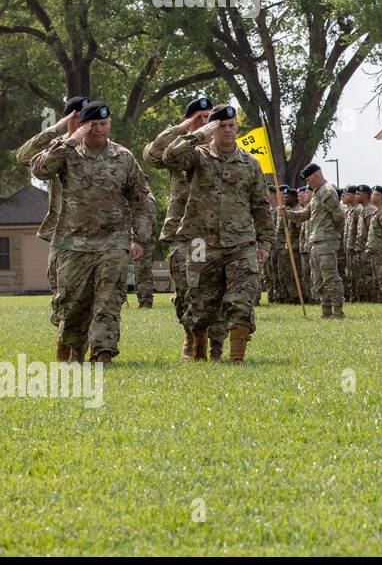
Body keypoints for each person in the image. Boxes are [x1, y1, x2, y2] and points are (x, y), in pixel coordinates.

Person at [31, 101, 152, 364]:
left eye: (103, 124)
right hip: (73, 244)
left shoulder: (124, 157)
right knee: (73, 304)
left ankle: (102, 353)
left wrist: (140, 238)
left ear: (110, 124)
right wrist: (68, 142)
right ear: (83, 126)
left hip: (113, 243)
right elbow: (39, 169)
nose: (99, 130)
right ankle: (73, 348)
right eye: (93, 124)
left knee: (109, 302)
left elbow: (140, 200)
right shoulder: (67, 153)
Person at [160, 105, 271, 363]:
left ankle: (235, 358)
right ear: (213, 128)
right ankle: (199, 351)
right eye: (222, 126)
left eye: (232, 126)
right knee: (199, 304)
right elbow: (169, 156)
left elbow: (261, 207)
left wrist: (264, 242)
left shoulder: (250, 163)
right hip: (201, 243)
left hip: (240, 243)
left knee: (241, 300)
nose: (228, 131)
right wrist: (199, 134)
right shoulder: (197, 157)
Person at [143, 96, 212, 355]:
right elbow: (152, 154)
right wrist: (184, 128)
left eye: (208, 118)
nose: (205, 124)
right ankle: (190, 335)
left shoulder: (221, 148)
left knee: (207, 289)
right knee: (185, 288)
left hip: (212, 232)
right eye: (199, 119)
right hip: (183, 231)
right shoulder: (178, 150)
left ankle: (206, 340)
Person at [15, 95, 89, 330]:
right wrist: (56, 129)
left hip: (99, 230)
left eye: (87, 117)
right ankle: (66, 339)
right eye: (77, 117)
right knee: (63, 291)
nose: (83, 123)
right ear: (68, 118)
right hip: (63, 232)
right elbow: (24, 156)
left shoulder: (106, 150)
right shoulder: (55, 148)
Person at [285, 162, 346, 318]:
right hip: (316, 241)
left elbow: (339, 214)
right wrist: (287, 213)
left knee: (330, 276)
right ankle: (326, 311)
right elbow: (305, 215)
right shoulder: (317, 193)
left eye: (308, 180)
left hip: (326, 241)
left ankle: (338, 311)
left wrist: (331, 232)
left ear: (317, 176)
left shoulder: (326, 191)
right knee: (318, 278)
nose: (307, 183)